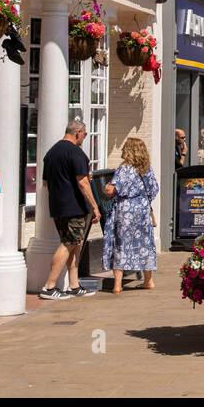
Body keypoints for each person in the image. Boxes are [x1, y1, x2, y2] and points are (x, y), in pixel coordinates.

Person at [39, 119, 102, 300]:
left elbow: (46, 183)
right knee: (69, 243)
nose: (85, 137)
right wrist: (95, 206)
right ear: (78, 133)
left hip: (58, 206)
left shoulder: (51, 153)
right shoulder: (76, 153)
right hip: (73, 206)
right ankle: (49, 287)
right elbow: (82, 183)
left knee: (75, 243)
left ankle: (74, 286)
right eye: (85, 134)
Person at [100, 137, 159, 294]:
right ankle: (148, 281)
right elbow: (154, 189)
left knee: (121, 243)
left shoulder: (124, 169)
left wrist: (106, 187)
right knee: (145, 243)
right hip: (142, 208)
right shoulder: (147, 169)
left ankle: (118, 285)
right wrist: (142, 200)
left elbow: (111, 190)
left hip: (125, 210)